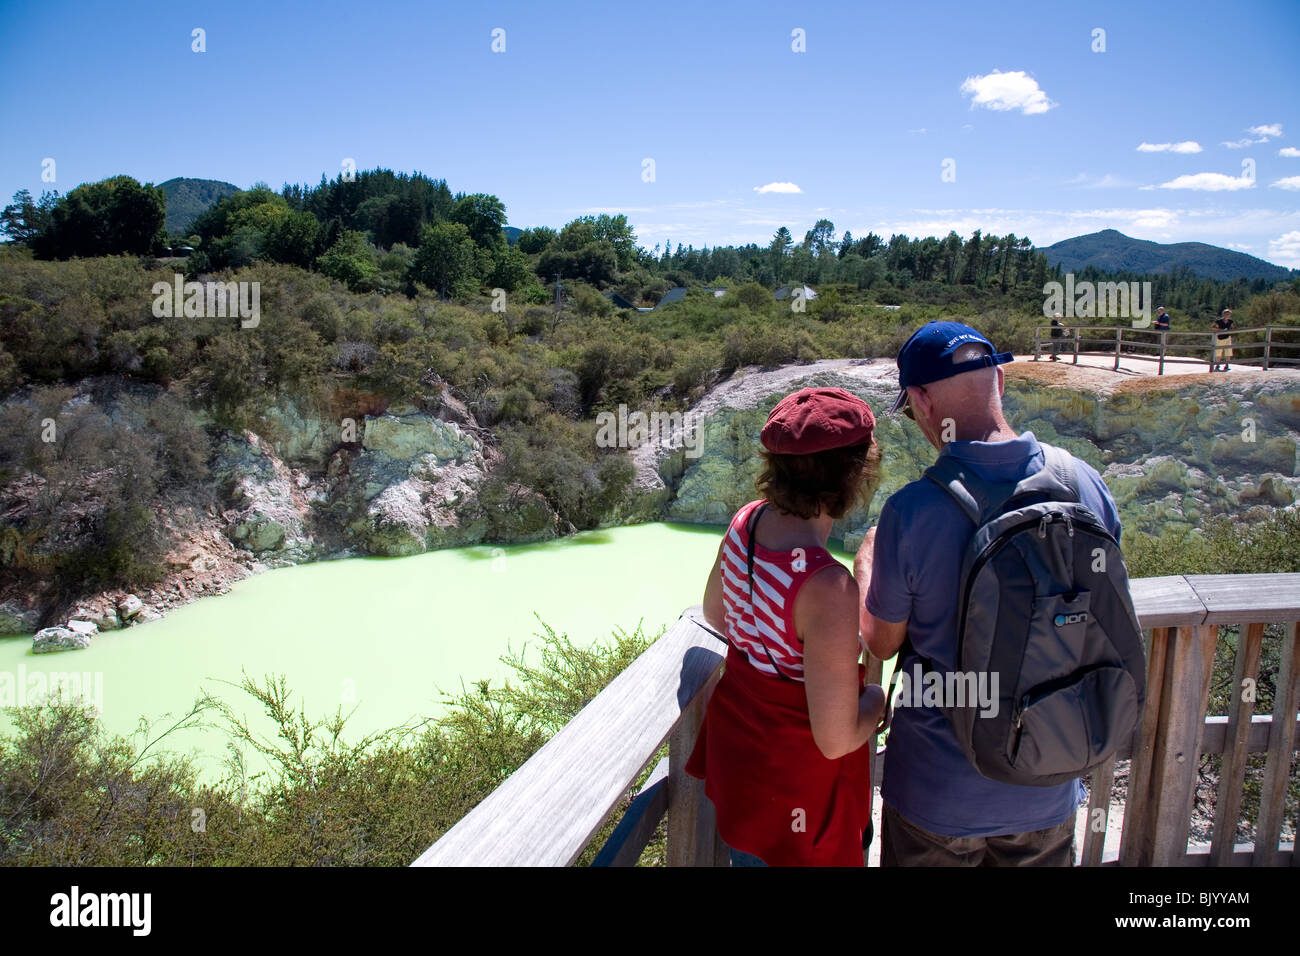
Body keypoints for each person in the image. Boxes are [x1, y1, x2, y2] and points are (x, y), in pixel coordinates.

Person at [854, 322, 1123, 866]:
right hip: (1048, 774)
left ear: (924, 400)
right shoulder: (1083, 482)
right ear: (999, 377)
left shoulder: (912, 511)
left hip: (938, 791)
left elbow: (881, 645)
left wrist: (865, 567)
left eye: (910, 409)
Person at [688, 386, 888, 866]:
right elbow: (836, 738)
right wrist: (877, 701)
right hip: (805, 794)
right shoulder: (827, 585)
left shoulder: (744, 524)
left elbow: (718, 615)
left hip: (746, 771)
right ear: (854, 475)